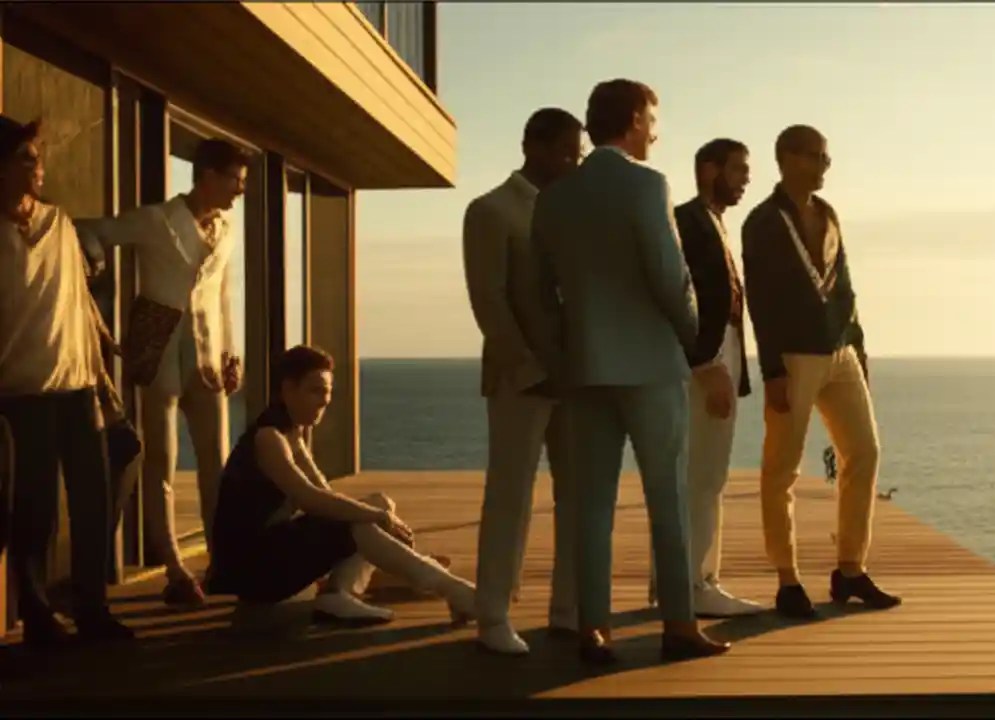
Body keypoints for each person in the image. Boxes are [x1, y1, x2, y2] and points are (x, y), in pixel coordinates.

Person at [531, 78, 729, 664]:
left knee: (589, 504)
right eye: (653, 118)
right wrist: (697, 340)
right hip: (650, 365)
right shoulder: (648, 184)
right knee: (666, 497)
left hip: (585, 368)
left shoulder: (555, 197)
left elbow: (539, 292)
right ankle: (677, 626)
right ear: (635, 121)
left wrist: (562, 355)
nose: (657, 130)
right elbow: (670, 277)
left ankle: (595, 628)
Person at [76, 138, 249, 608]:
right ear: (208, 175)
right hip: (159, 349)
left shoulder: (228, 229)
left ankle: (222, 561)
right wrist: (93, 267)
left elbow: (224, 293)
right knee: (163, 462)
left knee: (217, 462)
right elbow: (90, 230)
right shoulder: (155, 220)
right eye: (235, 180)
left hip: (207, 357)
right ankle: (174, 568)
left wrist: (233, 352)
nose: (240, 191)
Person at [740, 125, 902, 619]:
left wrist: (858, 344)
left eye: (827, 158)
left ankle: (850, 568)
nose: (825, 166)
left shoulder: (828, 214)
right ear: (787, 158)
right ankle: (788, 579)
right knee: (782, 468)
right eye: (816, 157)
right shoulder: (763, 221)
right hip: (793, 357)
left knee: (864, 452)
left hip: (839, 352)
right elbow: (760, 300)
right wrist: (771, 370)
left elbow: (845, 284)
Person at [204, 345, 476, 625]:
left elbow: (326, 494)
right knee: (362, 518)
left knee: (376, 503)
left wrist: (379, 516)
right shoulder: (268, 438)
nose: (325, 400)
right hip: (254, 572)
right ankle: (452, 589)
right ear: (288, 389)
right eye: (316, 390)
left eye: (328, 391)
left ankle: (343, 592)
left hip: (274, 554)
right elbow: (309, 498)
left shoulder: (292, 434)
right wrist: (379, 519)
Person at [0, 115, 133, 646]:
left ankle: (91, 606)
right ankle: (35, 614)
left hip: (76, 385)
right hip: (19, 391)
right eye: (28, 158)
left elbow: (78, 302)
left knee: (94, 498)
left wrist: (103, 372)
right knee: (33, 509)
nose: (40, 168)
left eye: (40, 158)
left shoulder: (59, 225)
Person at [462, 107, 584, 655]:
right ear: (531, 146)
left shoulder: (571, 212)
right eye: (565, 151)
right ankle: (492, 614)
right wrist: (531, 369)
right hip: (521, 379)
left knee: (578, 494)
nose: (573, 162)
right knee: (510, 497)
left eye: (577, 152)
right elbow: (489, 301)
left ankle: (570, 609)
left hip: (576, 377)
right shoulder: (490, 210)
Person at [649, 138, 763, 618]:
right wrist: (703, 362)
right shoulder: (687, 223)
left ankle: (678, 581)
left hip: (722, 357)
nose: (745, 179)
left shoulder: (712, 223)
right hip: (705, 362)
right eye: (738, 169)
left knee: (701, 476)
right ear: (708, 169)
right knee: (703, 476)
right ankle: (696, 584)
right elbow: (675, 297)